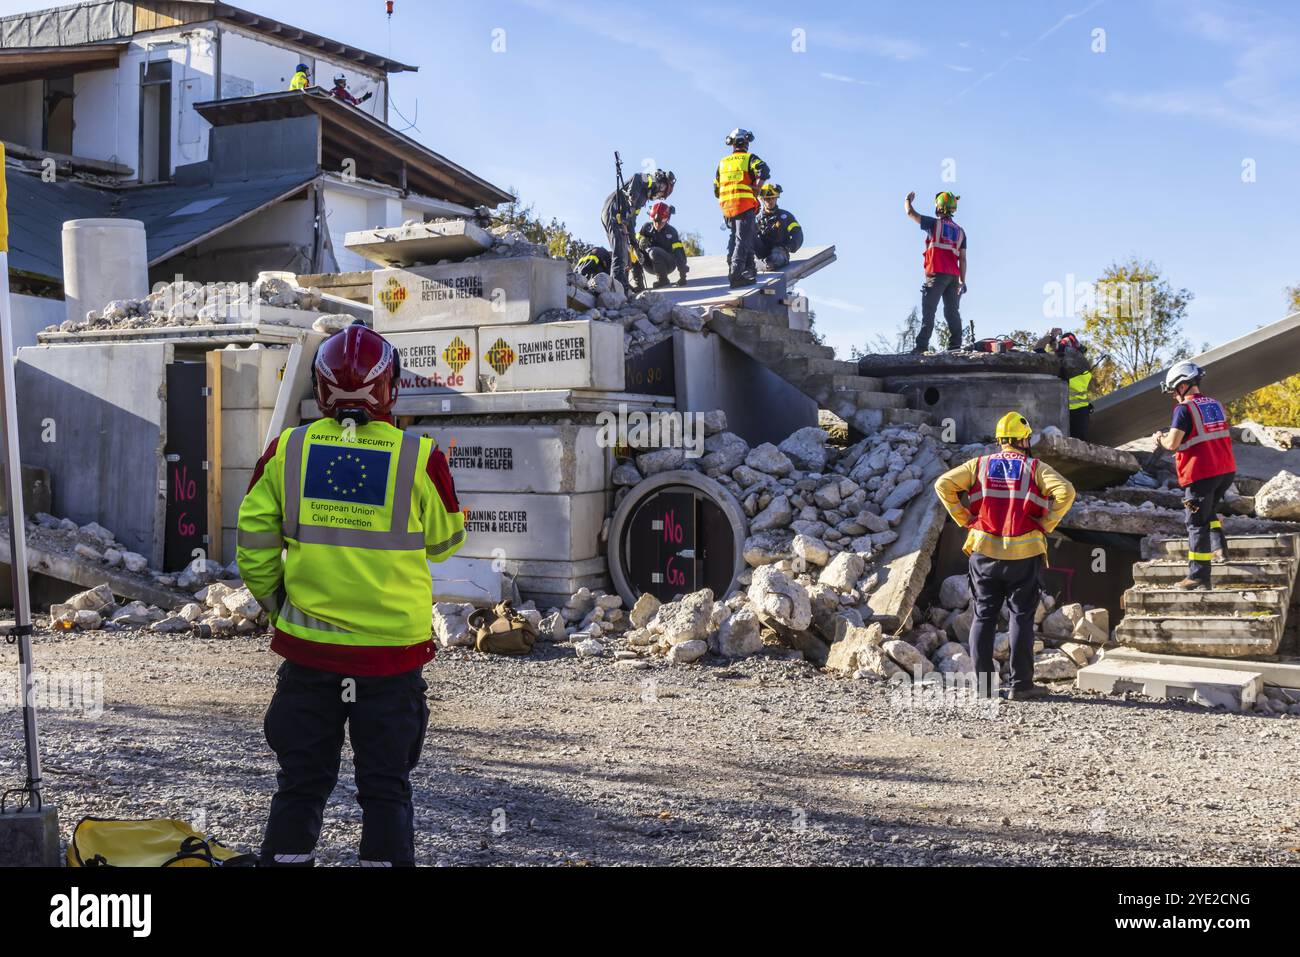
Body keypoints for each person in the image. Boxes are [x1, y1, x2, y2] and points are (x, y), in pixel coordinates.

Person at [237, 321, 466, 867]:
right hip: (391, 661)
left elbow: (253, 544)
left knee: (300, 785)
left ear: (320, 391)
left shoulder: (286, 450)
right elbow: (445, 542)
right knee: (385, 789)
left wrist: (278, 608)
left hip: (308, 656)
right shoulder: (420, 457)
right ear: (390, 389)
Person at [934, 412, 1076, 700]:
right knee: (1021, 617)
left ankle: (984, 686)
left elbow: (943, 485)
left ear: (1000, 441)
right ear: (1022, 440)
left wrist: (964, 518)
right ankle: (1021, 685)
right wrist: (1046, 523)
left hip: (984, 552)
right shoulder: (1035, 468)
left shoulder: (979, 465)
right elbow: (1066, 491)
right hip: (1024, 554)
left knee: (983, 616)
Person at [1152, 361, 1236, 590]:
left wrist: (1159, 438)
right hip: (1225, 470)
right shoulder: (1215, 404)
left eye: (1173, 391)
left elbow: (1172, 443)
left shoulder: (1183, 409)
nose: (1173, 396)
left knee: (1195, 523)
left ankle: (1198, 576)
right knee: (1208, 510)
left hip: (1200, 474)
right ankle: (1220, 549)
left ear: (1182, 386)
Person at [905, 190, 967, 352]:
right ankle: (955, 346)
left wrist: (907, 200)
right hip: (953, 276)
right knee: (952, 311)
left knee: (929, 310)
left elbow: (910, 213)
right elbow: (963, 259)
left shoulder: (934, 224)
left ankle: (921, 346)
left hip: (937, 274)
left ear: (939, 207)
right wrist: (962, 280)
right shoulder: (961, 232)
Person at [601, 168, 675, 291]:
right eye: (662, 192)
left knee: (627, 255)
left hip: (620, 217)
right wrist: (631, 200)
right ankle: (617, 291)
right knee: (620, 253)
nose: (659, 196)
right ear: (661, 185)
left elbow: (631, 223)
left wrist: (635, 246)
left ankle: (623, 287)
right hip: (614, 212)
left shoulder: (643, 199)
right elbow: (636, 177)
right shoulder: (649, 180)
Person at [714, 128, 770, 288]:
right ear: (746, 143)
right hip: (744, 204)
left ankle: (742, 268)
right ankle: (736, 275)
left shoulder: (722, 163)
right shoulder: (749, 159)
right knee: (743, 239)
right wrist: (757, 188)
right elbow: (764, 170)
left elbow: (716, 189)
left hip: (727, 207)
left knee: (735, 237)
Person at [1032, 328, 1094, 440]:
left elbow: (1038, 348)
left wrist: (1051, 336)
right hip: (1081, 413)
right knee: (1079, 447)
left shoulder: (1061, 364)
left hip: (1063, 411)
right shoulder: (1083, 364)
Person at [635, 202, 689, 287]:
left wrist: (683, 276)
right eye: (655, 221)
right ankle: (639, 285)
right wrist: (640, 240)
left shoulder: (671, 232)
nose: (657, 225)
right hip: (650, 265)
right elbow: (637, 237)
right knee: (633, 250)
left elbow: (679, 253)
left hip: (669, 264)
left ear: (667, 219)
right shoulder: (646, 227)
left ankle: (663, 280)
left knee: (654, 251)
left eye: (661, 222)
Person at [753, 183, 803, 270]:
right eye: (767, 199)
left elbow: (797, 233)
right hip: (761, 252)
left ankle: (765, 265)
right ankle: (755, 264)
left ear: (777, 198)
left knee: (776, 258)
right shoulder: (757, 219)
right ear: (762, 200)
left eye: (773, 198)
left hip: (780, 251)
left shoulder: (786, 217)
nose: (770, 201)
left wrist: (789, 247)